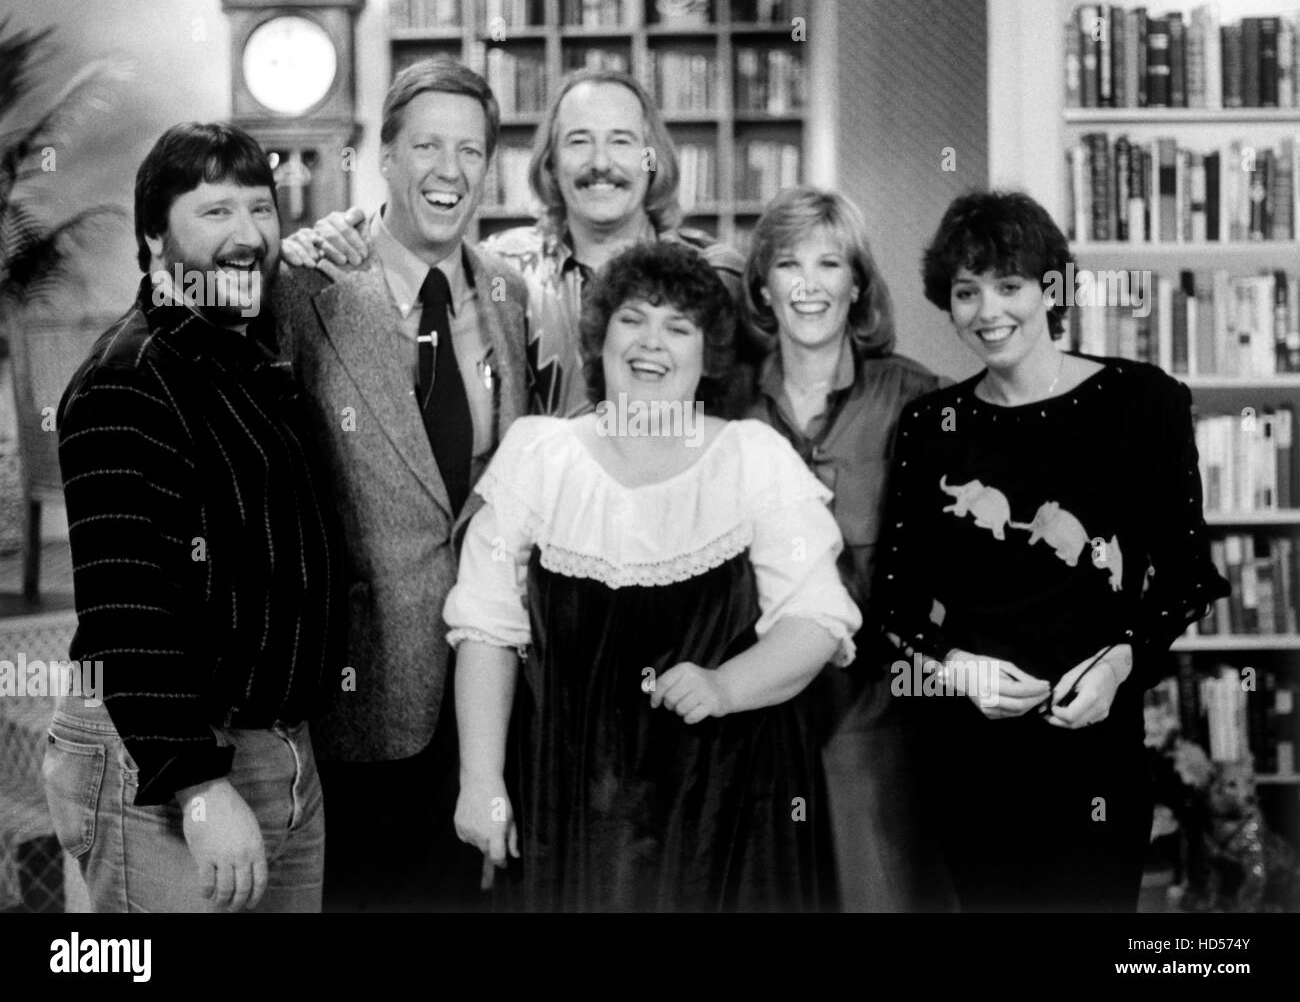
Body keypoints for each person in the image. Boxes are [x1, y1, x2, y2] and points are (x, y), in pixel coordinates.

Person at [442, 240, 861, 912]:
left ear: (708, 352)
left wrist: (726, 685)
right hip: (574, 793)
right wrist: (481, 778)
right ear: (600, 336)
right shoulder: (537, 455)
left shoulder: (754, 457)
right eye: (633, 318)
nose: (652, 343)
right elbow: (486, 627)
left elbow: (816, 619)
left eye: (678, 326)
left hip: (731, 797)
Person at [873, 189, 1231, 912]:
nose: (987, 310)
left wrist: (1122, 658)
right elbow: (892, 598)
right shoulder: (930, 425)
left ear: (1051, 290)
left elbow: (1188, 571)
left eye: (1008, 285)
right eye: (966, 291)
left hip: (1095, 749)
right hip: (969, 756)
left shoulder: (1145, 401)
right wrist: (954, 666)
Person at [45, 122, 343, 912]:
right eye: (215, 213)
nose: (248, 236)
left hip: (280, 752)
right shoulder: (129, 379)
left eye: (261, 208)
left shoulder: (244, 359)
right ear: (153, 236)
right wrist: (201, 787)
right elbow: (126, 610)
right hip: (174, 764)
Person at [265, 59, 529, 911]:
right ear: (384, 156)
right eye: (426, 146)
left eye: (471, 150)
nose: (449, 171)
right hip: (363, 692)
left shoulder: (508, 293)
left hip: (486, 678)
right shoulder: (310, 287)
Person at [284, 68, 751, 418]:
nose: (601, 162)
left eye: (623, 142)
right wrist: (332, 241)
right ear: (550, 162)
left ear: (653, 159)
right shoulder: (499, 267)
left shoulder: (712, 273)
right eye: (579, 142)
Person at [739, 185, 953, 912]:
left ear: (856, 283)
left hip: (874, 710)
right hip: (752, 705)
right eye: (787, 264)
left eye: (829, 263)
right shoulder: (722, 402)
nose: (808, 284)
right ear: (762, 287)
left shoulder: (918, 398)